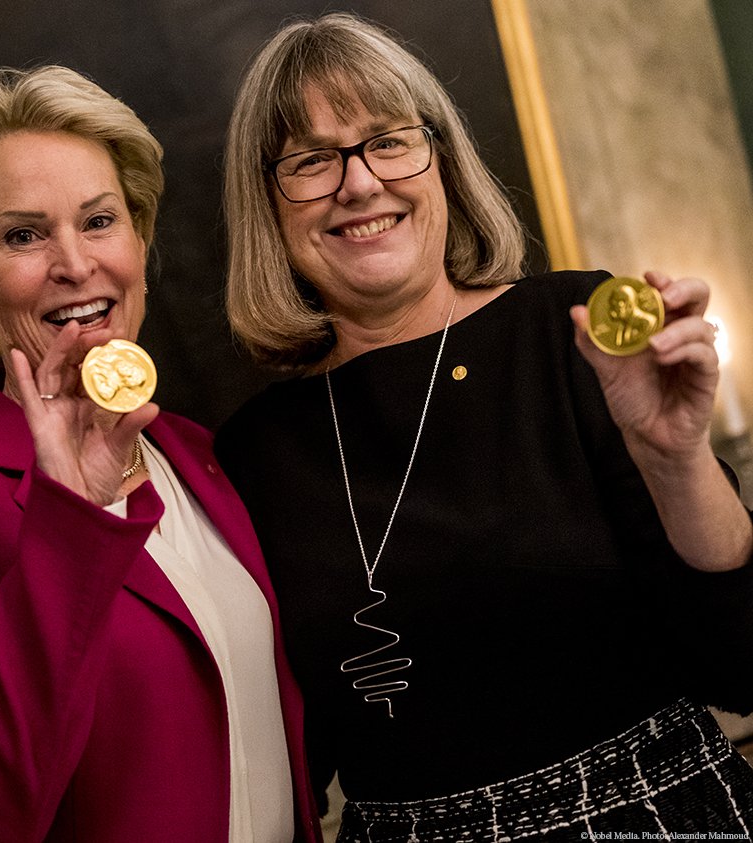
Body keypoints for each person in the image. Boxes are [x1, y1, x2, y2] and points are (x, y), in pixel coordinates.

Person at [215, 12, 753, 841]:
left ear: (442, 159)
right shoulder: (254, 452)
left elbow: (744, 660)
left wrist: (678, 458)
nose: (359, 184)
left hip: (656, 815)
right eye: (312, 160)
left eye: (388, 140)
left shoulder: (566, 334)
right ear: (269, 204)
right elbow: (271, 759)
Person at [0, 65, 320, 842]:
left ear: (139, 238)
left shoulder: (196, 454)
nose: (74, 262)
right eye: (24, 235)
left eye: (99, 221)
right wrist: (70, 520)